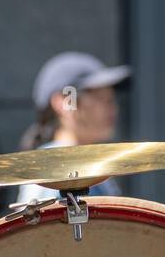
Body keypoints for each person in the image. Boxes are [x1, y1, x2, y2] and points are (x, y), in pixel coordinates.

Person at [14, 51, 130, 205]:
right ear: (65, 102)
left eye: (111, 99)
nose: (113, 108)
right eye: (101, 98)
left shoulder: (90, 165)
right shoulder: (52, 169)